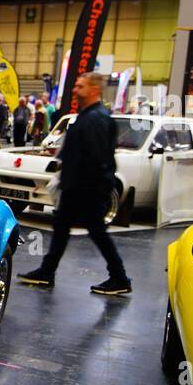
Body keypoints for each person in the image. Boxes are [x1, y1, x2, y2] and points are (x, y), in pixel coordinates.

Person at [20, 71, 131, 295]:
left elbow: (96, 158)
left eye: (80, 86)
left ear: (94, 90)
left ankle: (119, 278)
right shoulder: (88, 115)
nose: (74, 89)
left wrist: (83, 187)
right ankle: (47, 271)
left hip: (87, 188)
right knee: (61, 228)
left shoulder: (95, 119)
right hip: (77, 186)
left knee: (96, 231)